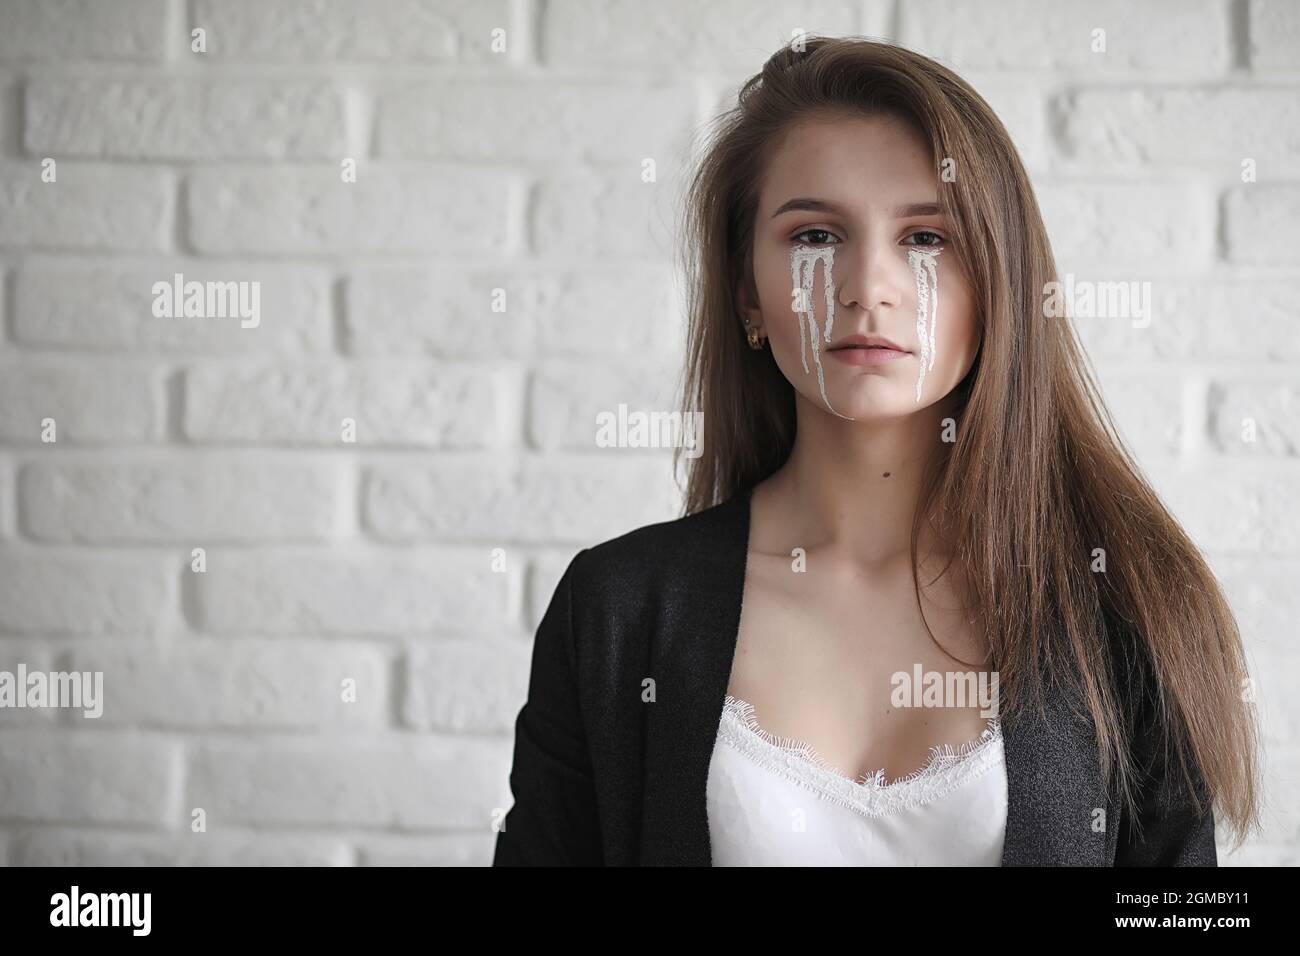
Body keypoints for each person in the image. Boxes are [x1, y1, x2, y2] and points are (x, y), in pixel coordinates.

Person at [493, 35, 1260, 866]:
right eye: (815, 237)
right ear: (748, 290)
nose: (869, 286)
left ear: (998, 282)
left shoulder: (1123, 607)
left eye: (927, 239)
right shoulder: (617, 610)